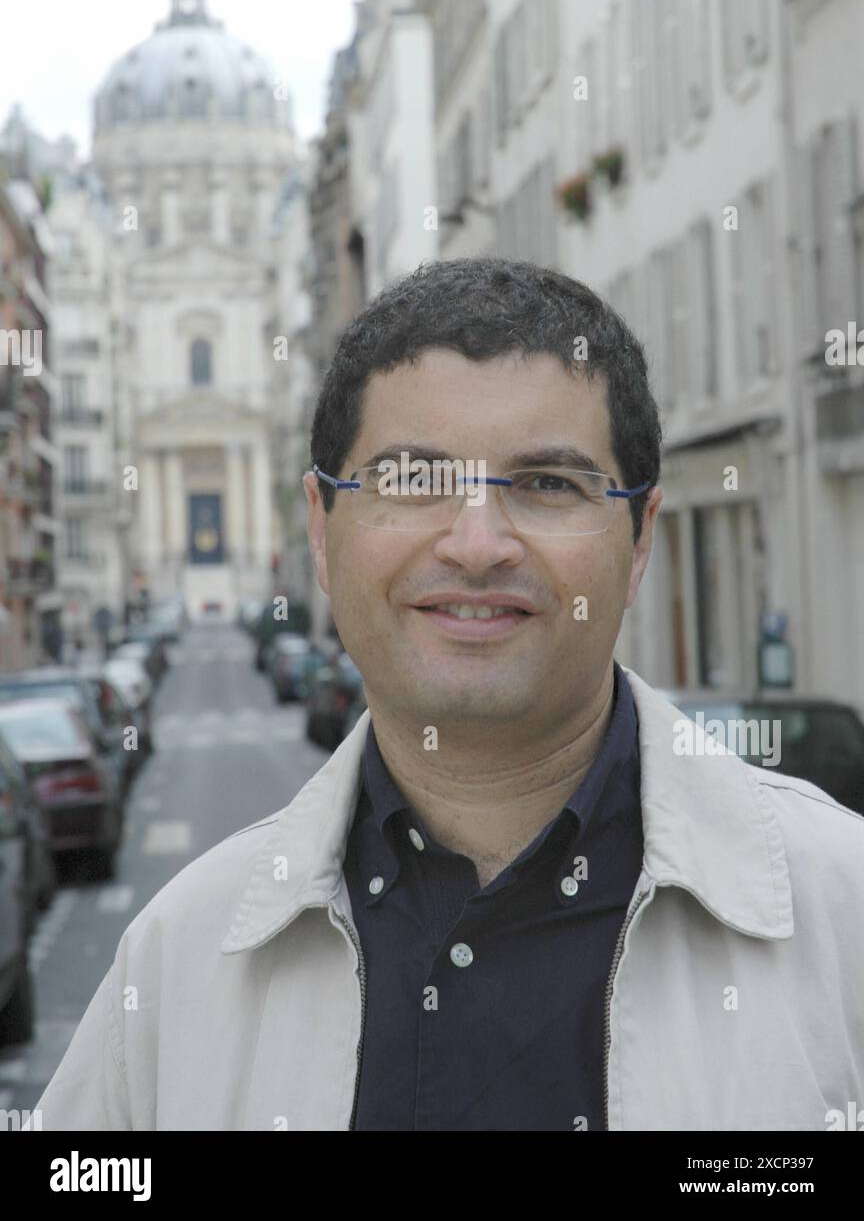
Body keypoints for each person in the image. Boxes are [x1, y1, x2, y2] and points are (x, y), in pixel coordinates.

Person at [32, 257, 864, 1130]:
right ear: (322, 531)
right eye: (411, 479)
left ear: (640, 536)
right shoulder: (172, 968)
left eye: (547, 483)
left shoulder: (844, 919)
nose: (476, 544)